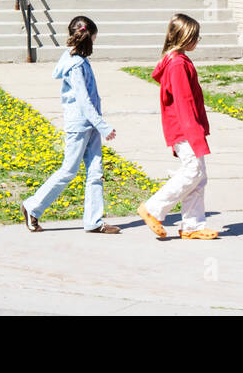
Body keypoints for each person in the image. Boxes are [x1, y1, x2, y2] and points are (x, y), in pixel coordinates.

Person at [21, 16, 120, 234]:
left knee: (95, 172)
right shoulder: (75, 65)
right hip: (79, 125)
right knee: (69, 170)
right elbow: (83, 101)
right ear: (90, 37)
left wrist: (97, 124)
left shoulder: (78, 59)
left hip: (91, 124)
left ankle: (94, 221)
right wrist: (103, 126)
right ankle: (32, 206)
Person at [138, 14, 218, 240]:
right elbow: (185, 103)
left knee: (199, 176)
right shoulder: (177, 65)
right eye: (195, 36)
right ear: (184, 38)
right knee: (192, 172)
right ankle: (153, 208)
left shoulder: (177, 61)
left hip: (188, 128)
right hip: (186, 129)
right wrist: (196, 133)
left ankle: (192, 226)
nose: (197, 40)